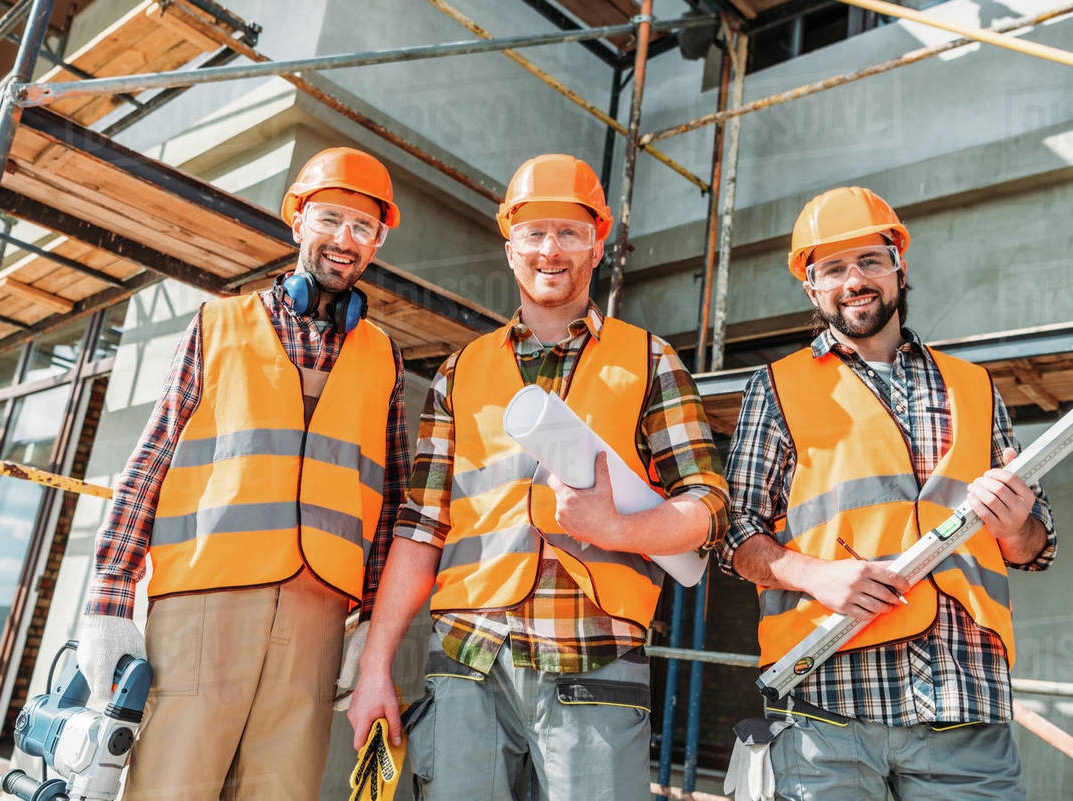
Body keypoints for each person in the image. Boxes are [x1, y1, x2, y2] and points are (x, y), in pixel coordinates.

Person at [347, 153, 729, 800]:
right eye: (534, 233)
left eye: (570, 232)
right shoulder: (460, 372)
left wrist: (619, 525)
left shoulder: (648, 359)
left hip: (595, 662)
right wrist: (373, 665)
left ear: (597, 243)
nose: (550, 249)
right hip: (468, 663)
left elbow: (710, 506)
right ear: (510, 246)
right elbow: (421, 528)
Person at [75, 147, 411, 801]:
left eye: (364, 228)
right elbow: (152, 459)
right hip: (203, 603)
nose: (346, 239)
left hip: (318, 619)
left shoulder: (385, 360)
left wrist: (371, 626)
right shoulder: (216, 325)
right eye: (331, 218)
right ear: (296, 220)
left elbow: (393, 505)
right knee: (171, 787)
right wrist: (110, 592)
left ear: (376, 243)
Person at [720, 186, 1057, 800]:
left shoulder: (975, 386)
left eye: (871, 261)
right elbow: (734, 532)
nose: (855, 280)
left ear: (900, 265)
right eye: (833, 268)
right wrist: (815, 576)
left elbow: (1036, 547)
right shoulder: (775, 389)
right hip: (830, 701)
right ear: (811, 287)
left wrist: (1016, 525)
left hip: (965, 704)